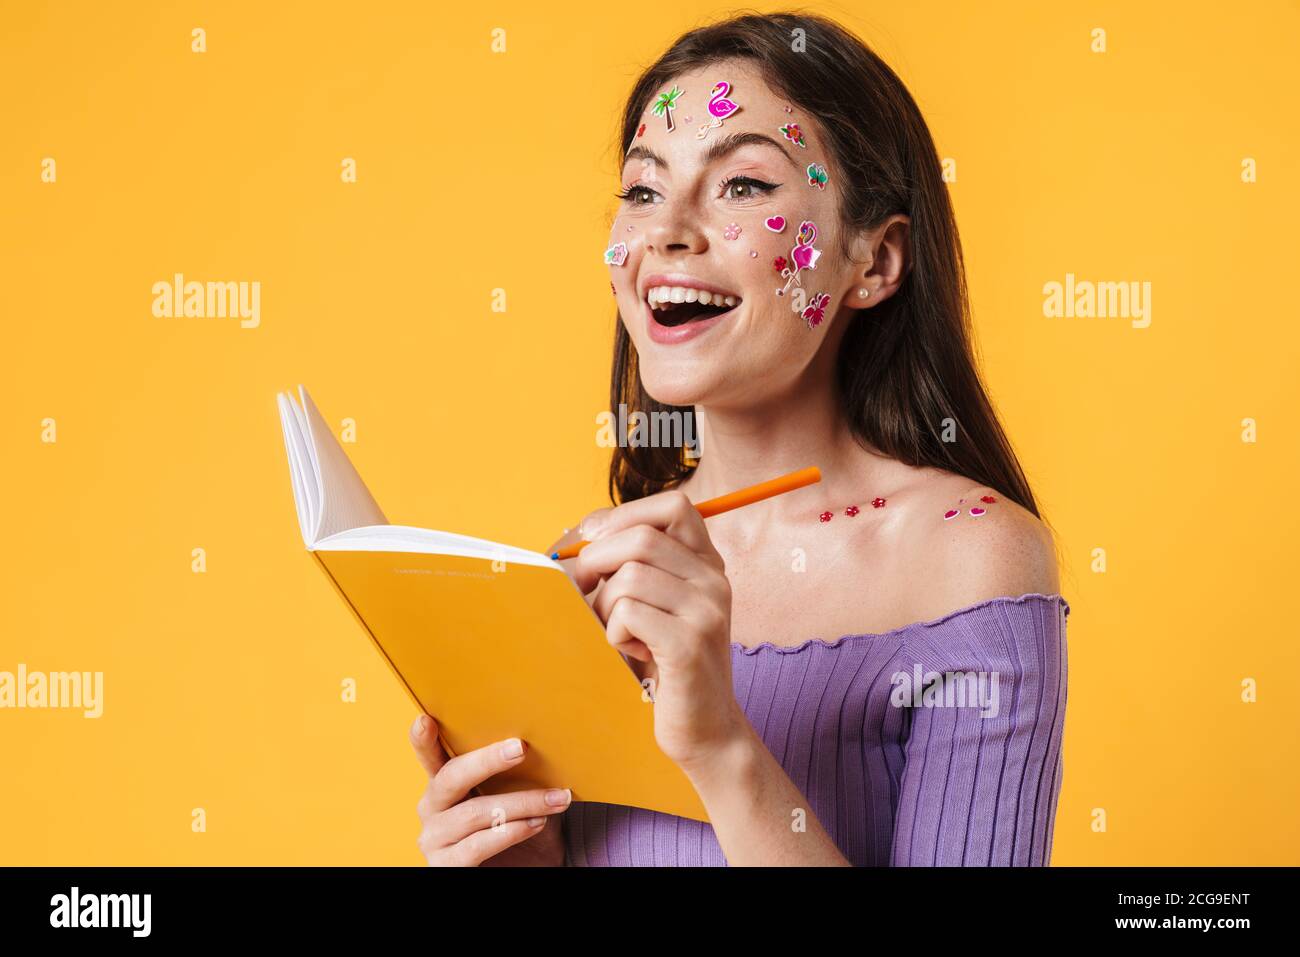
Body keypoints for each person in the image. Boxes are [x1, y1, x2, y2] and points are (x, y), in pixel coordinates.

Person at [410, 12, 1069, 867]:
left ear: (872, 261)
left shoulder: (971, 560)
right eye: (643, 190)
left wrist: (720, 747)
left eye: (744, 186)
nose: (667, 232)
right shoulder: (595, 570)